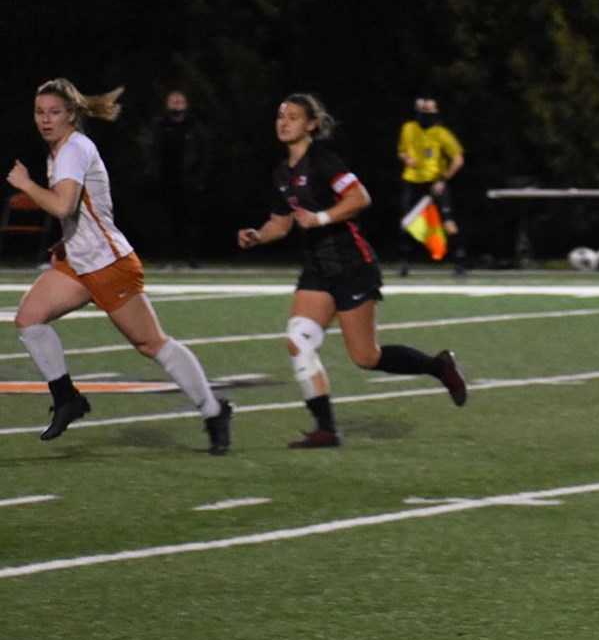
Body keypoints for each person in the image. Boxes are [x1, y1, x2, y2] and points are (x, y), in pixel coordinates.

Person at [7, 78, 232, 454]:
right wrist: (67, 242)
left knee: (151, 344)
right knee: (29, 319)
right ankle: (67, 399)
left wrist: (26, 185)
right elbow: (83, 210)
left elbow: (62, 206)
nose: (45, 120)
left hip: (109, 264)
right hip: (80, 263)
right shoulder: (60, 150)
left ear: (71, 115)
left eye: (54, 112)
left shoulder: (73, 150)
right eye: (39, 112)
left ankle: (214, 411)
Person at [237, 93, 467, 448]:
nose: (284, 122)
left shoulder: (324, 161)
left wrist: (321, 218)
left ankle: (438, 366)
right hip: (317, 268)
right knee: (298, 342)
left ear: (311, 124)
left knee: (366, 356)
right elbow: (279, 224)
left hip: (351, 263)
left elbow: (360, 198)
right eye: (281, 116)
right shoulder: (282, 172)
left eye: (293, 117)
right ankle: (326, 428)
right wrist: (256, 236)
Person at [395, 96, 465, 275]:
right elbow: (402, 151)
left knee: (448, 222)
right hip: (412, 181)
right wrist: (407, 158)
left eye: (429, 111)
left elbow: (458, 159)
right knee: (406, 222)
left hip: (434, 182)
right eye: (422, 111)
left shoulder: (441, 133)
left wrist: (443, 179)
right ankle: (404, 263)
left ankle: (460, 262)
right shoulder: (408, 128)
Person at [142, 90, 211, 268]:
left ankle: (192, 258)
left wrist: (200, 178)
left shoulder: (195, 126)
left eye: (180, 100)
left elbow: (204, 154)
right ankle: (169, 258)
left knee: (191, 222)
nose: (177, 104)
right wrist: (152, 174)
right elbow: (151, 152)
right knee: (166, 222)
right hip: (165, 182)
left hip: (189, 182)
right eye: (173, 100)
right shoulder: (159, 125)